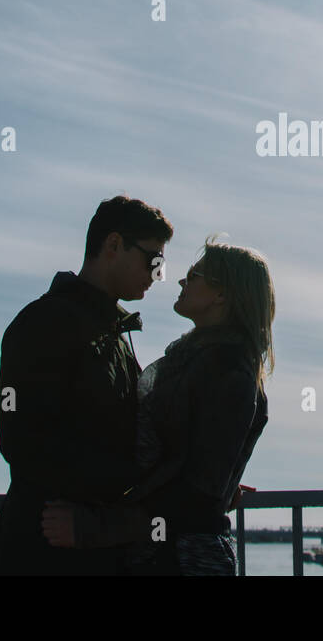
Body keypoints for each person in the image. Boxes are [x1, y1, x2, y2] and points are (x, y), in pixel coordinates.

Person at [41, 235, 274, 575]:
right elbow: (193, 467)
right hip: (163, 553)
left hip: (184, 560)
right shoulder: (198, 361)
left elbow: (196, 499)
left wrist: (94, 528)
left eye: (195, 275)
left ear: (222, 294)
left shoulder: (229, 373)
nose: (181, 279)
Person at [0, 195, 173, 575]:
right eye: (153, 260)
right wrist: (131, 487)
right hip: (43, 552)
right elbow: (21, 441)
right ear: (113, 245)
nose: (157, 274)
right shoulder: (43, 322)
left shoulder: (114, 335)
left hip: (93, 550)